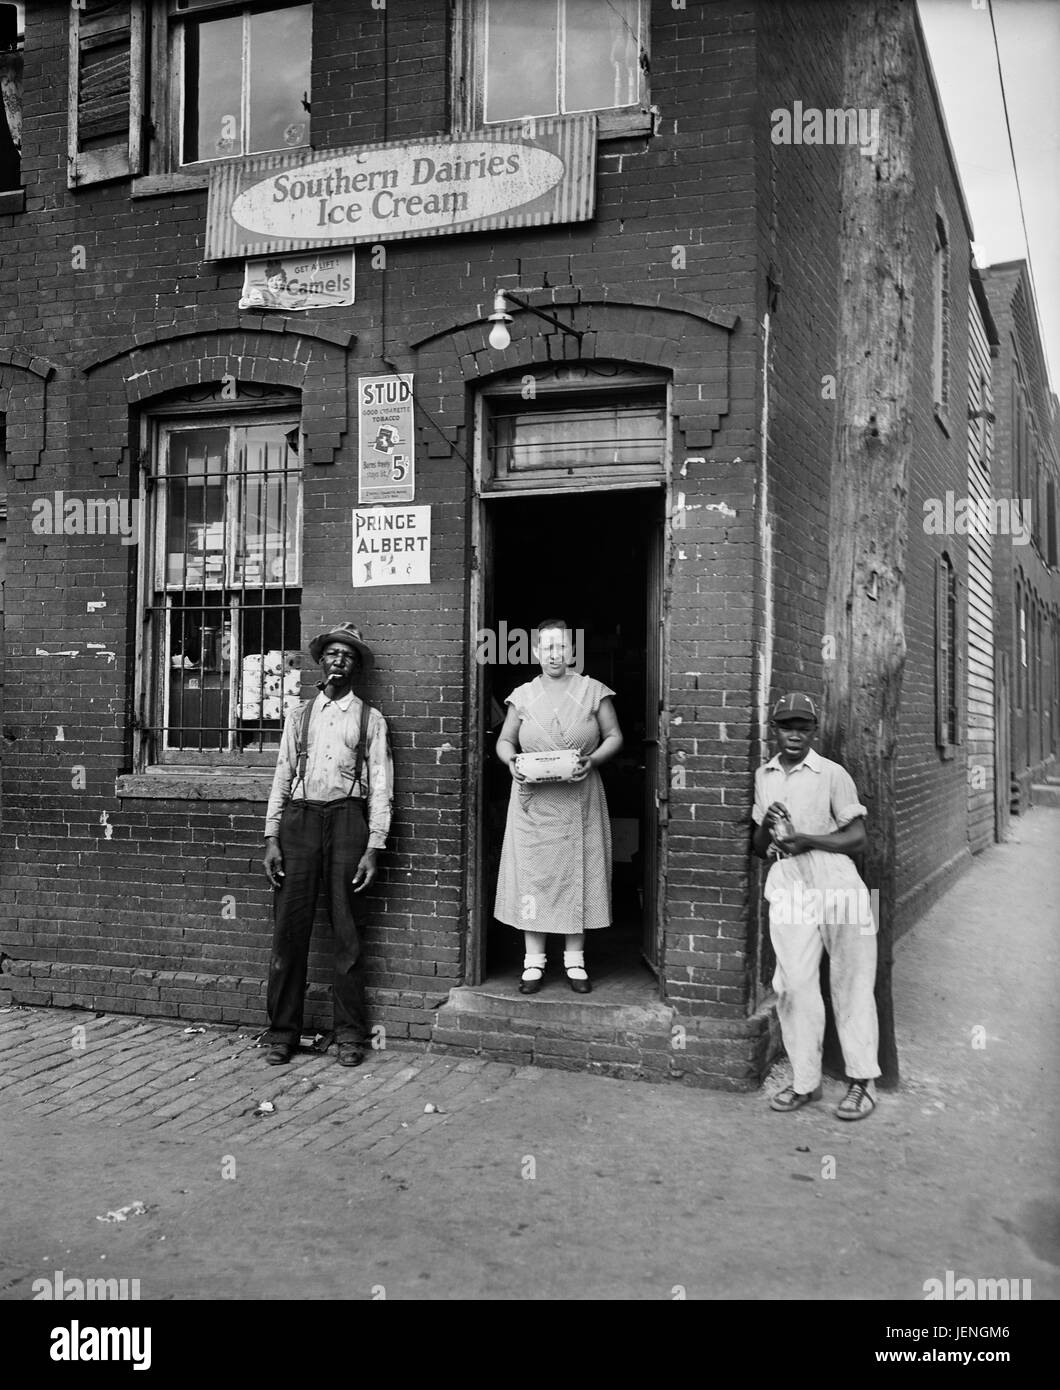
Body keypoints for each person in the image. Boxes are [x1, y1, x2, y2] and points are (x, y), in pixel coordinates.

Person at [261, 622, 393, 1066]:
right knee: (288, 934)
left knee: (347, 935)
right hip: (299, 822)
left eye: (348, 656)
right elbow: (282, 776)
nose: (339, 661)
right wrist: (271, 837)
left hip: (347, 821)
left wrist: (374, 845)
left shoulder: (370, 719)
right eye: (333, 654)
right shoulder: (299, 714)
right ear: (321, 661)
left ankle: (351, 1036)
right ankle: (282, 1033)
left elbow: (381, 788)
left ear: (356, 667)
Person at [751, 693, 880, 1120]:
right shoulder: (764, 774)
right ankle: (806, 1081)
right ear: (775, 729)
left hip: (838, 879)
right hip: (787, 880)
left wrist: (808, 839)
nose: (794, 734)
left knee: (854, 981)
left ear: (813, 731)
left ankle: (863, 1082)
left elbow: (858, 839)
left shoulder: (832, 773)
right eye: (786, 725)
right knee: (792, 984)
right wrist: (768, 821)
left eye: (802, 727)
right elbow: (756, 848)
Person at [494, 619, 623, 994]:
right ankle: (533, 963)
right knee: (533, 878)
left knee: (577, 874)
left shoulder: (592, 690)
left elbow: (615, 735)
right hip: (533, 804)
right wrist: (511, 762)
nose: (554, 654)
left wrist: (594, 760)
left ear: (572, 651)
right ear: (536, 652)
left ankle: (574, 962)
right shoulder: (523, 695)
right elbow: (504, 741)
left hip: (579, 797)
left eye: (561, 647)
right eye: (547, 647)